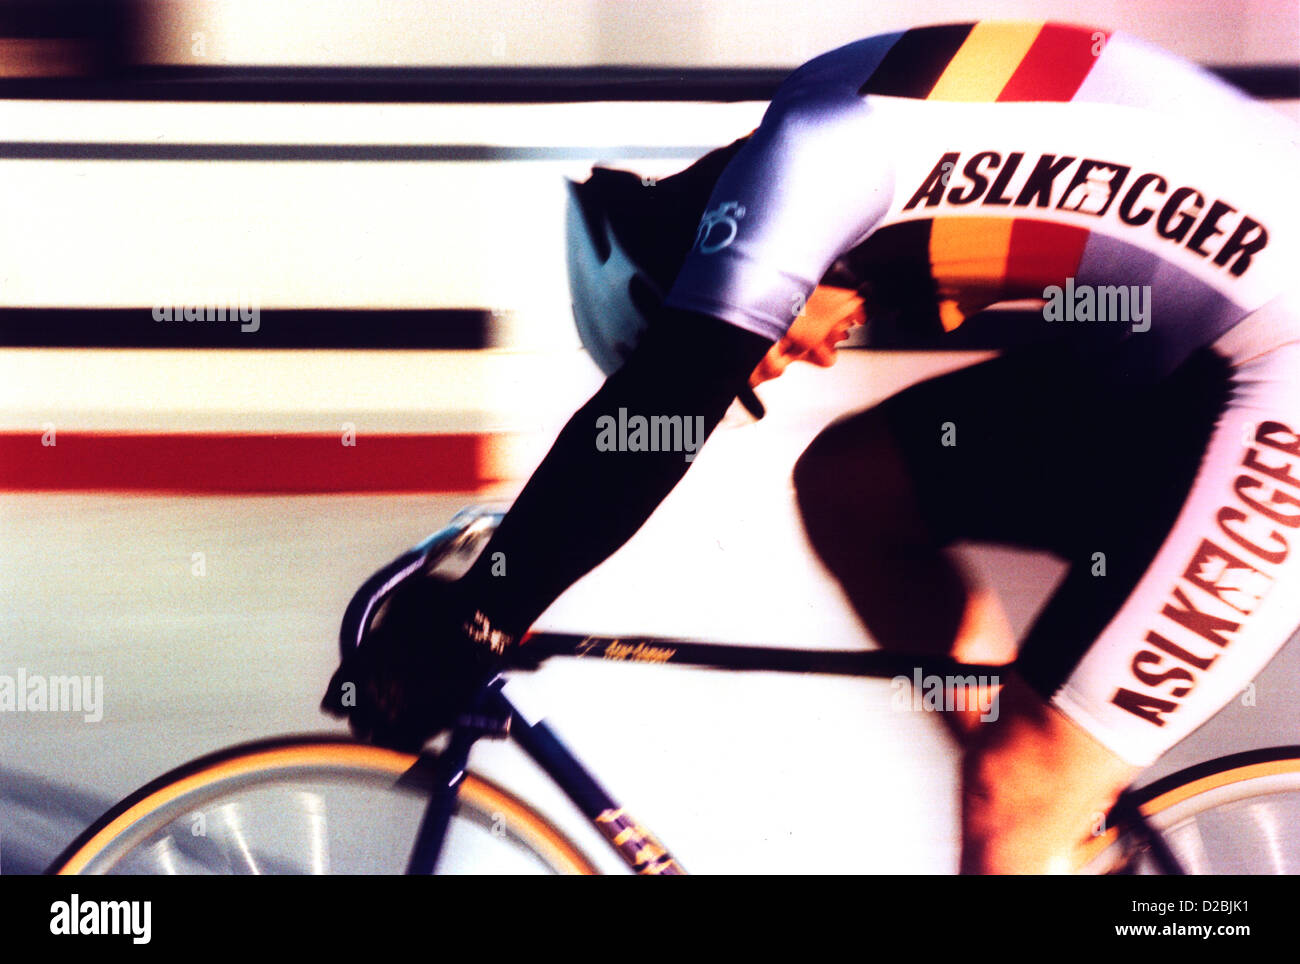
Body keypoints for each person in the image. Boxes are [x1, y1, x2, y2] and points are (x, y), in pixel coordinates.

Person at [323, 20, 1300, 873]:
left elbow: (664, 409)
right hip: (1195, 364)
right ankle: (1046, 826)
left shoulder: (811, 155)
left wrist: (486, 609)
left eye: (758, 357)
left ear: (693, 273)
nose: (784, 367)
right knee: (852, 484)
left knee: (1017, 794)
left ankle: (1031, 806)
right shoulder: (831, 130)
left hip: (1271, 372)